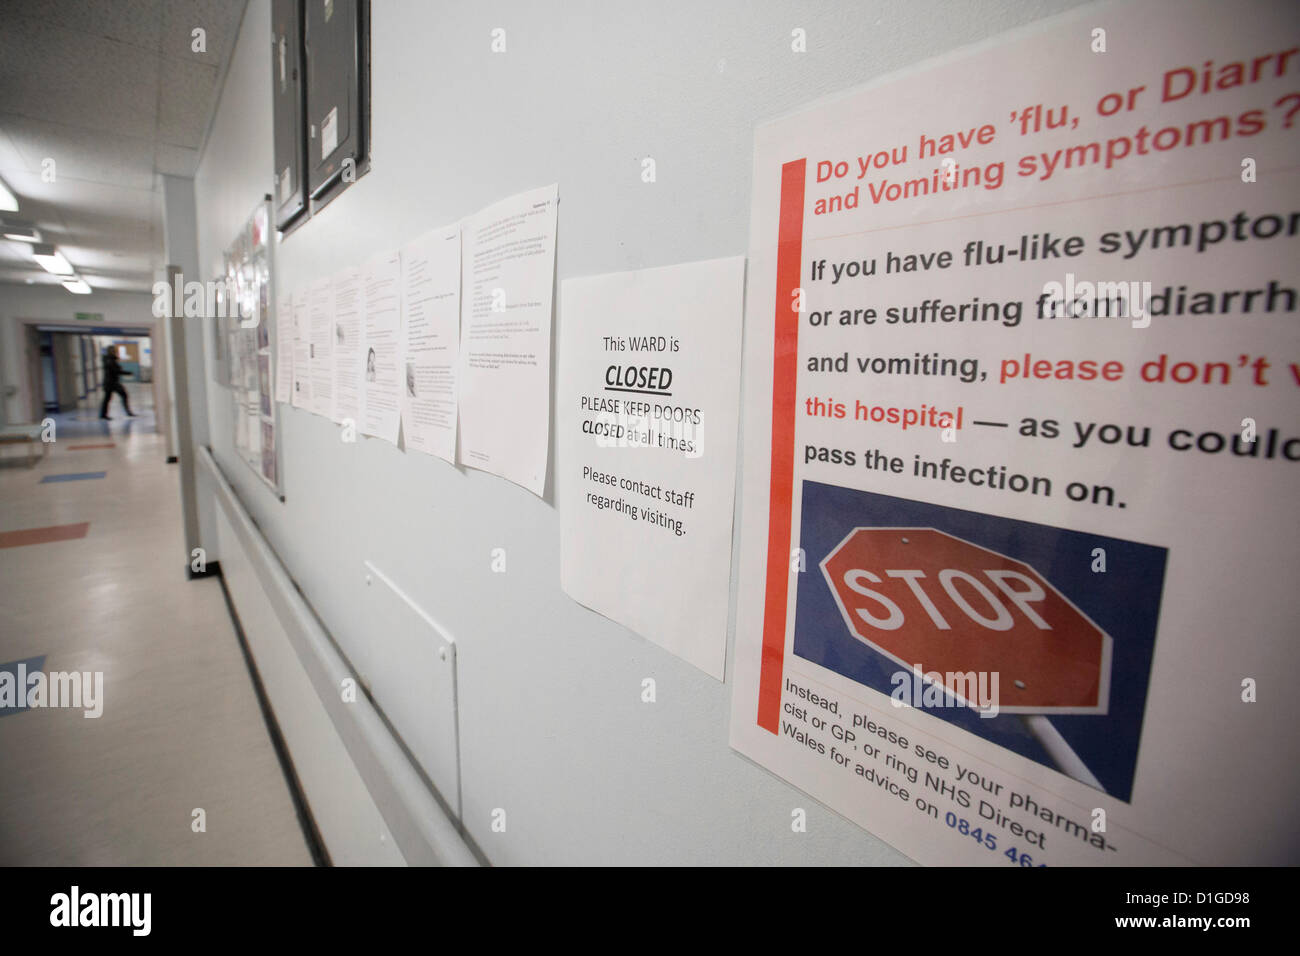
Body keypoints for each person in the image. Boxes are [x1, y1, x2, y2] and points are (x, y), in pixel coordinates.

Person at [99, 349, 135, 419]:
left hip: (110, 383)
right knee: (123, 395)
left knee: (107, 399)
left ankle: (103, 414)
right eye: (115, 352)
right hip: (111, 383)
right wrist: (128, 373)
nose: (116, 353)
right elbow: (116, 371)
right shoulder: (110, 361)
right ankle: (128, 412)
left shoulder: (109, 360)